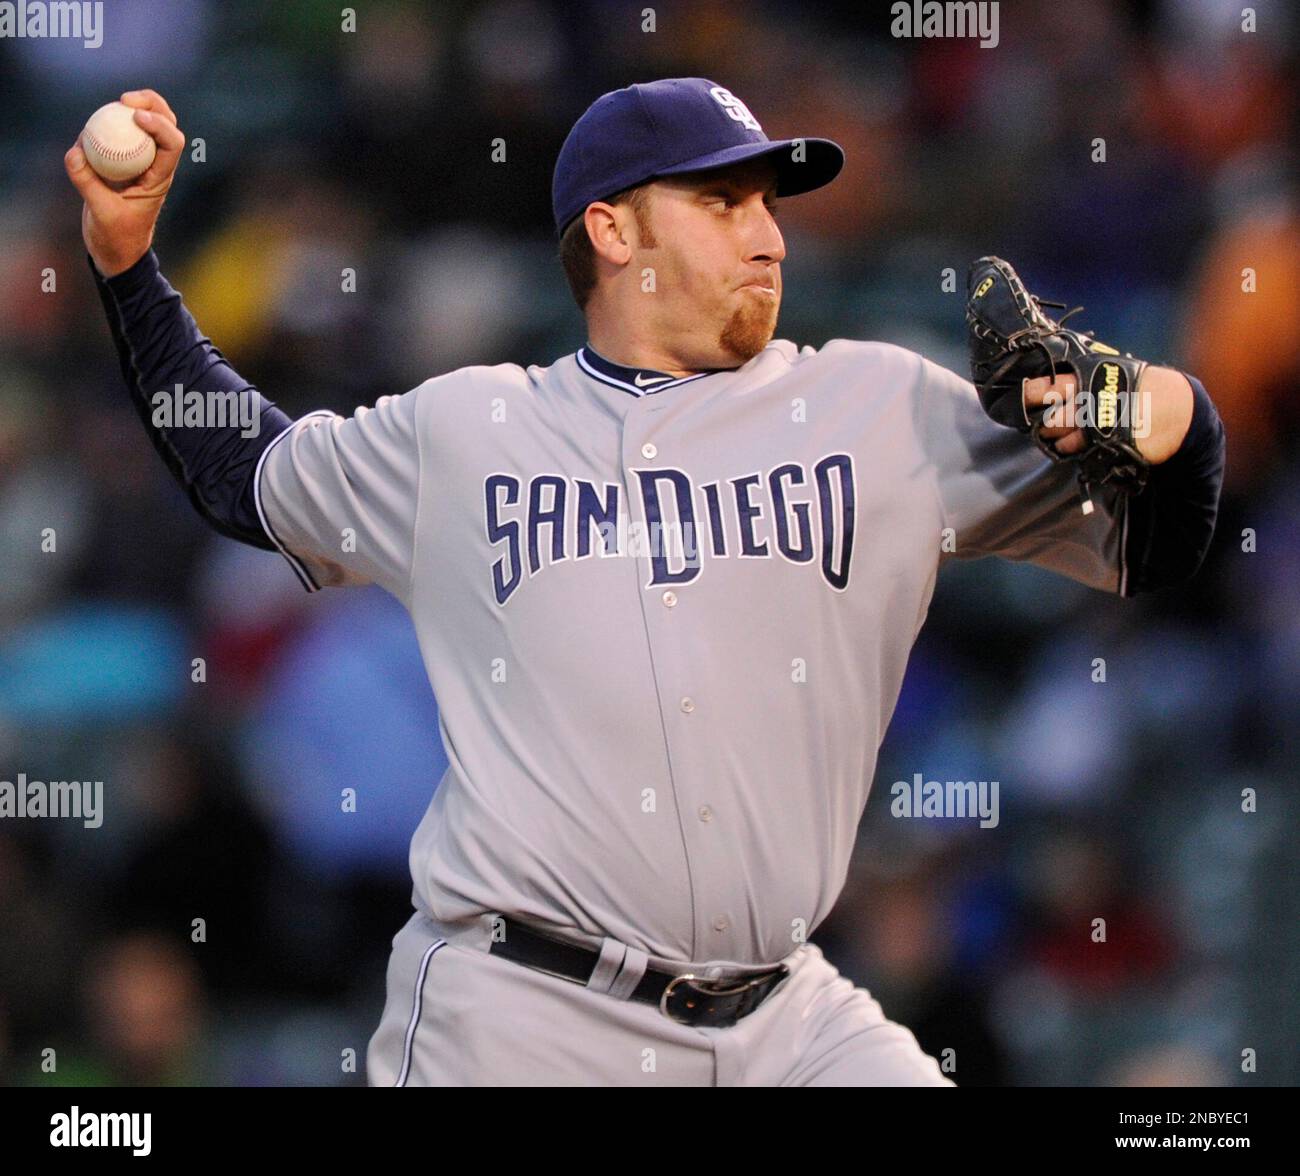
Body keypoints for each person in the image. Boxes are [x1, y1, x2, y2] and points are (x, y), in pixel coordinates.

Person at [66, 78, 1225, 1086]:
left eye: (768, 203)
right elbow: (242, 470)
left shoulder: (877, 407)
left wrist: (1156, 415)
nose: (768, 237)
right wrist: (129, 271)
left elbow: (1158, 545)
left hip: (786, 1019)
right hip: (521, 1019)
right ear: (613, 234)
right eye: (723, 203)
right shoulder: (467, 431)